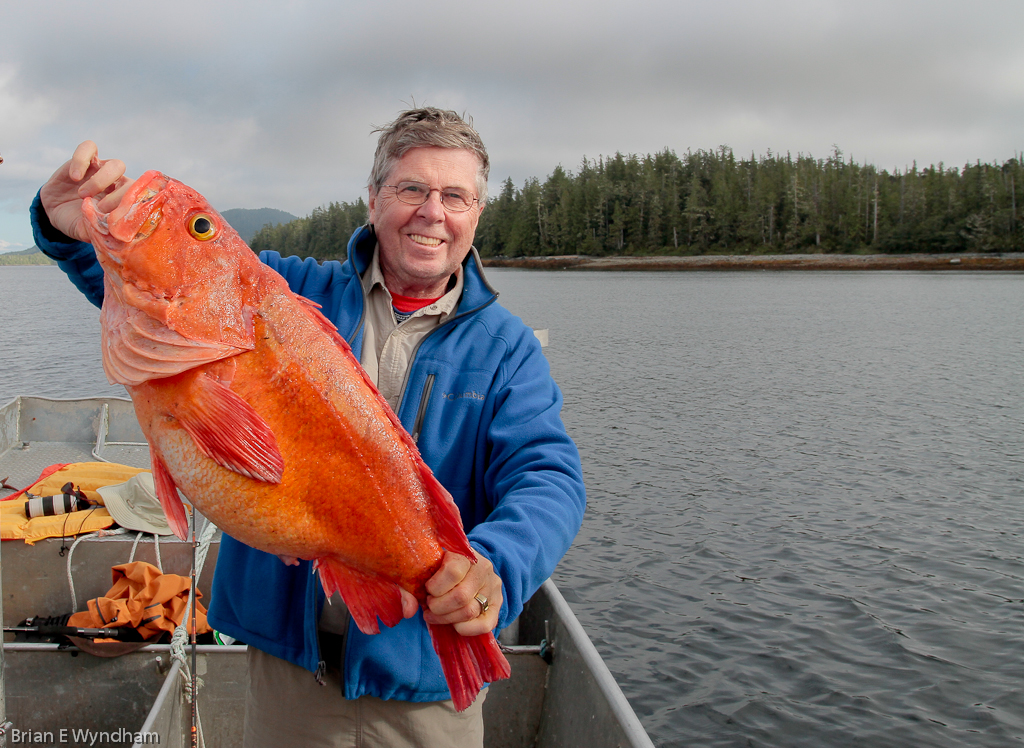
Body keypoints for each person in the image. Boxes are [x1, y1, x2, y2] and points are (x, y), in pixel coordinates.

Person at [30, 108, 586, 748]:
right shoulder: (280, 290)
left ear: (476, 214)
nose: (433, 212)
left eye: (455, 195)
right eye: (411, 189)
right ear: (373, 199)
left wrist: (496, 567)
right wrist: (72, 231)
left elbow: (550, 479)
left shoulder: (507, 347)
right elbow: (152, 290)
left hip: (426, 689)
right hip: (289, 677)